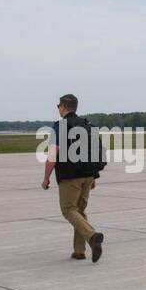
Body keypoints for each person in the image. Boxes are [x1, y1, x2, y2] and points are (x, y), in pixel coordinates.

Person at [41, 93, 104, 262]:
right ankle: (79, 251)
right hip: (88, 174)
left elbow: (53, 155)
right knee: (80, 211)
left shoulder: (61, 126)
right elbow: (91, 152)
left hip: (70, 176)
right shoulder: (86, 125)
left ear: (63, 107)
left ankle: (92, 236)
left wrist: (46, 177)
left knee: (68, 210)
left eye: (58, 106)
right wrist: (94, 176)